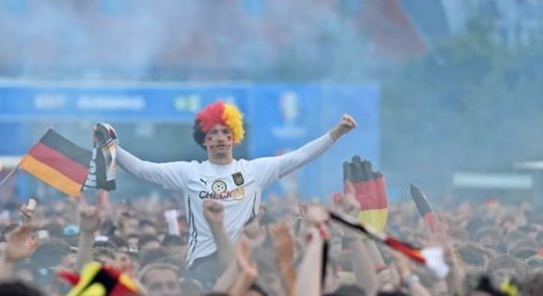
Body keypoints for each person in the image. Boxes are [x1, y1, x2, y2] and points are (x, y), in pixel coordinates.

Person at [109, 101, 357, 284]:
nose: (219, 138)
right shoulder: (189, 172)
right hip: (202, 264)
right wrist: (112, 147)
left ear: (234, 138)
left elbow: (300, 156)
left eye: (225, 132)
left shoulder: (254, 170)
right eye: (212, 133)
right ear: (203, 140)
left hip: (244, 260)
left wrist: (336, 133)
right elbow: (142, 169)